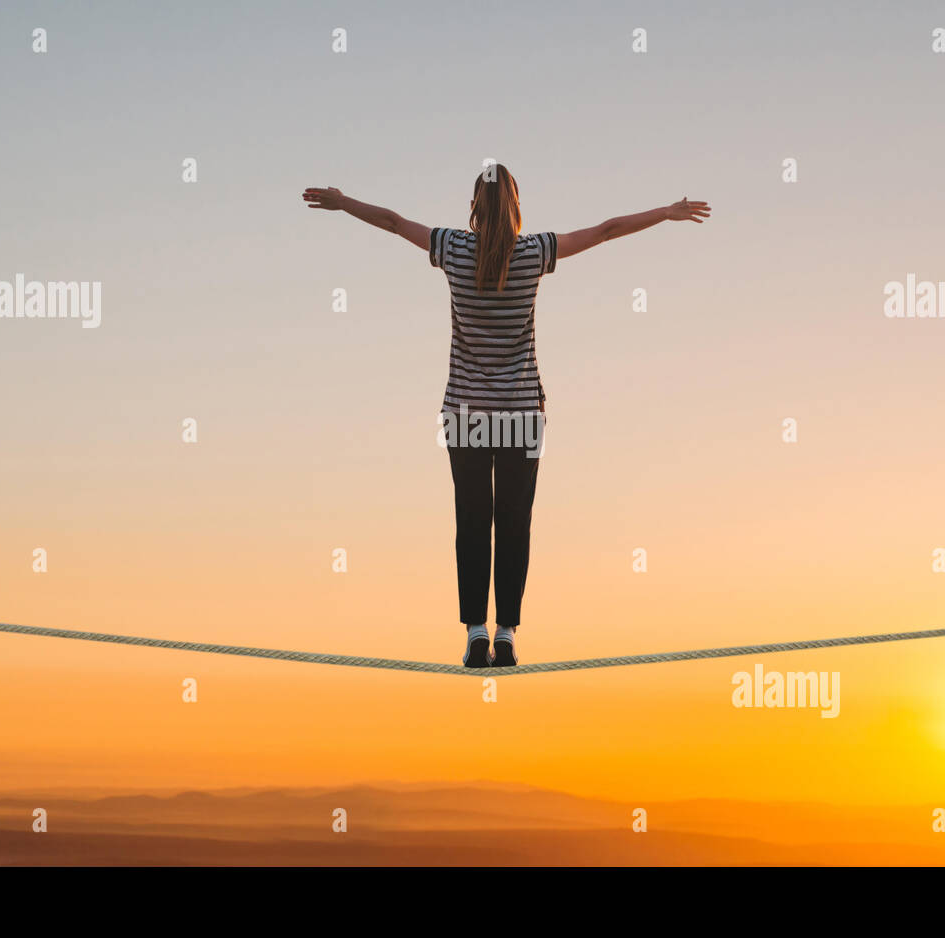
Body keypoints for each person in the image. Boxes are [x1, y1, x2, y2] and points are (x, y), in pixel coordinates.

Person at [303, 165, 709, 667]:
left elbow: (390, 221)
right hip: (520, 415)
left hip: (466, 412)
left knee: (472, 521)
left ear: (474, 205)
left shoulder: (451, 248)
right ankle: (507, 632)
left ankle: (476, 630)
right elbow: (605, 230)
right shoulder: (535, 252)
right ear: (516, 205)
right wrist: (664, 213)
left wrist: (344, 202)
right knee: (514, 523)